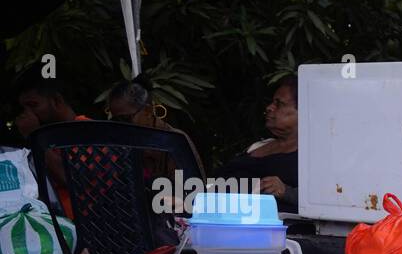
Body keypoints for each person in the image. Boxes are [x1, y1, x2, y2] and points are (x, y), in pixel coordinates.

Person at [213, 77, 299, 213]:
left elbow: (331, 198)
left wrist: (286, 192)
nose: (269, 108)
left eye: (279, 104)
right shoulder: (259, 145)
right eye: (272, 102)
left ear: (303, 111)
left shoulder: (311, 156)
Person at [13, 72, 90, 219]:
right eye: (25, 108)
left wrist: (34, 135)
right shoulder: (50, 140)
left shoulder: (87, 131)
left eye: (33, 105)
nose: (29, 113)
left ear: (56, 101)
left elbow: (69, 178)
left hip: (82, 228)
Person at [106, 76, 204, 186]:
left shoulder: (175, 141)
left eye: (125, 119)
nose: (120, 126)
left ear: (147, 111)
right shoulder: (122, 145)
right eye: (115, 120)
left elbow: (192, 191)